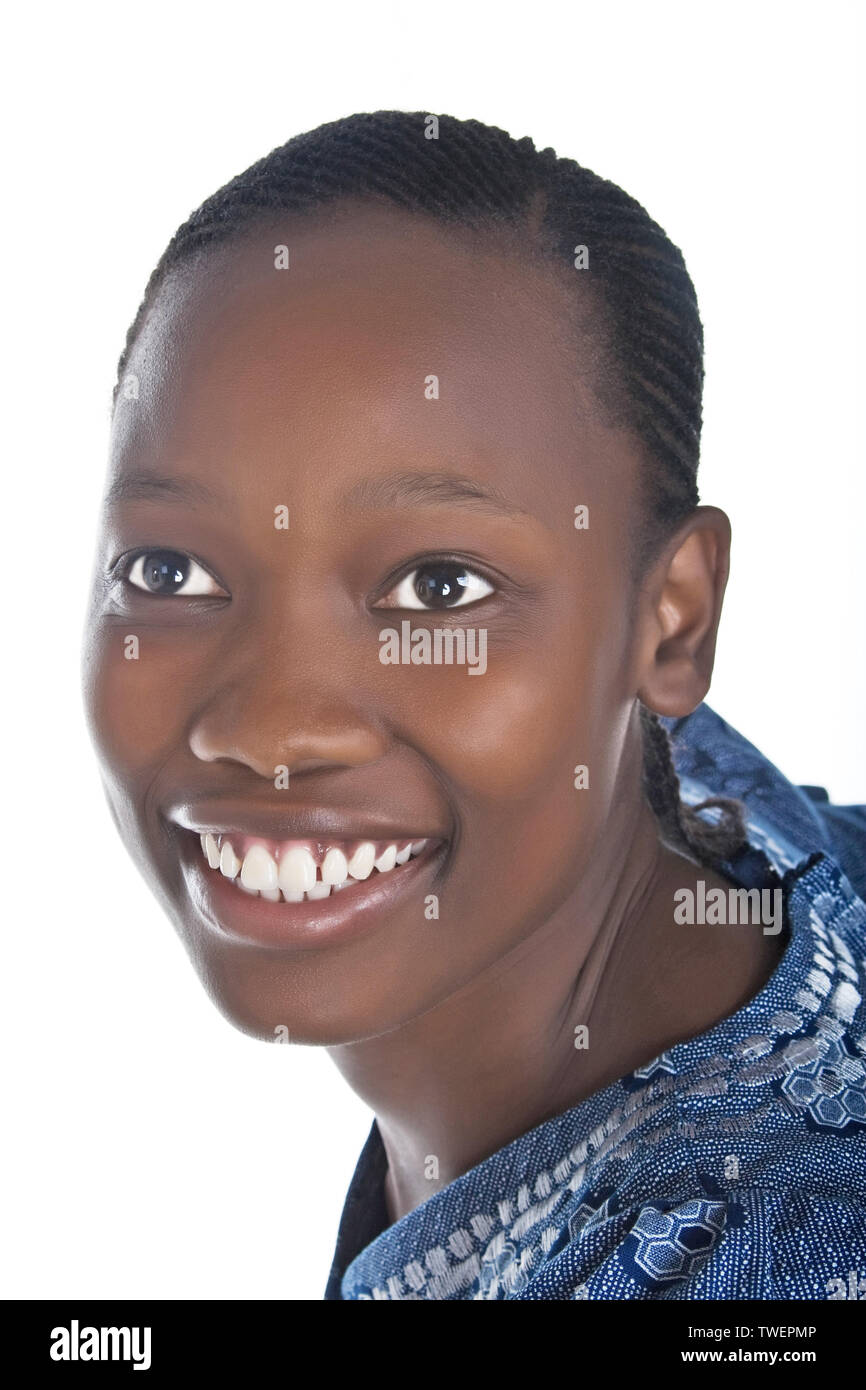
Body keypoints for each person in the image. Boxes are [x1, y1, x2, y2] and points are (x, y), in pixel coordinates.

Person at [82, 111, 866, 1300]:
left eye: (434, 585)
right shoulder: (664, 778)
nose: (268, 727)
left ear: (673, 619)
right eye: (170, 571)